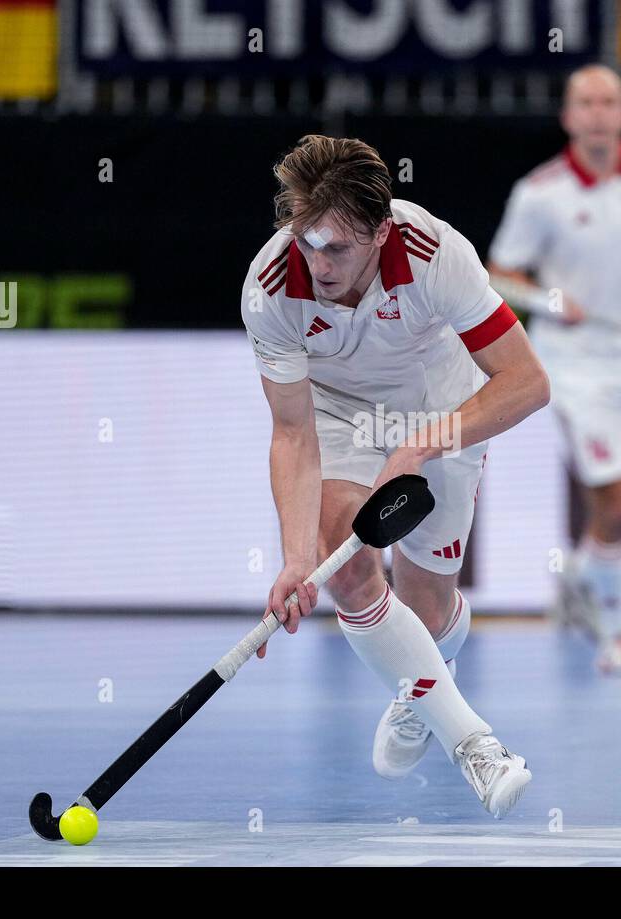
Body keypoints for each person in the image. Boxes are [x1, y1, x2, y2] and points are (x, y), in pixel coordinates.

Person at [239, 134, 550, 817]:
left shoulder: (437, 253)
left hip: (442, 408)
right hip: (340, 417)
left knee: (427, 610)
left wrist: (427, 441)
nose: (317, 263)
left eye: (338, 248)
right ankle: (473, 741)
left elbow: (527, 383)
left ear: (381, 232)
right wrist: (297, 559)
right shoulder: (269, 290)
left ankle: (422, 680)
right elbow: (292, 434)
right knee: (345, 565)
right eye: (306, 241)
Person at [487, 64, 621, 673]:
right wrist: (552, 301)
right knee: (616, 504)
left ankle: (581, 575)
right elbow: (500, 273)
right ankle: (616, 636)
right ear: (569, 117)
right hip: (574, 366)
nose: (599, 112)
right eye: (587, 102)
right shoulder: (539, 193)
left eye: (609, 101)